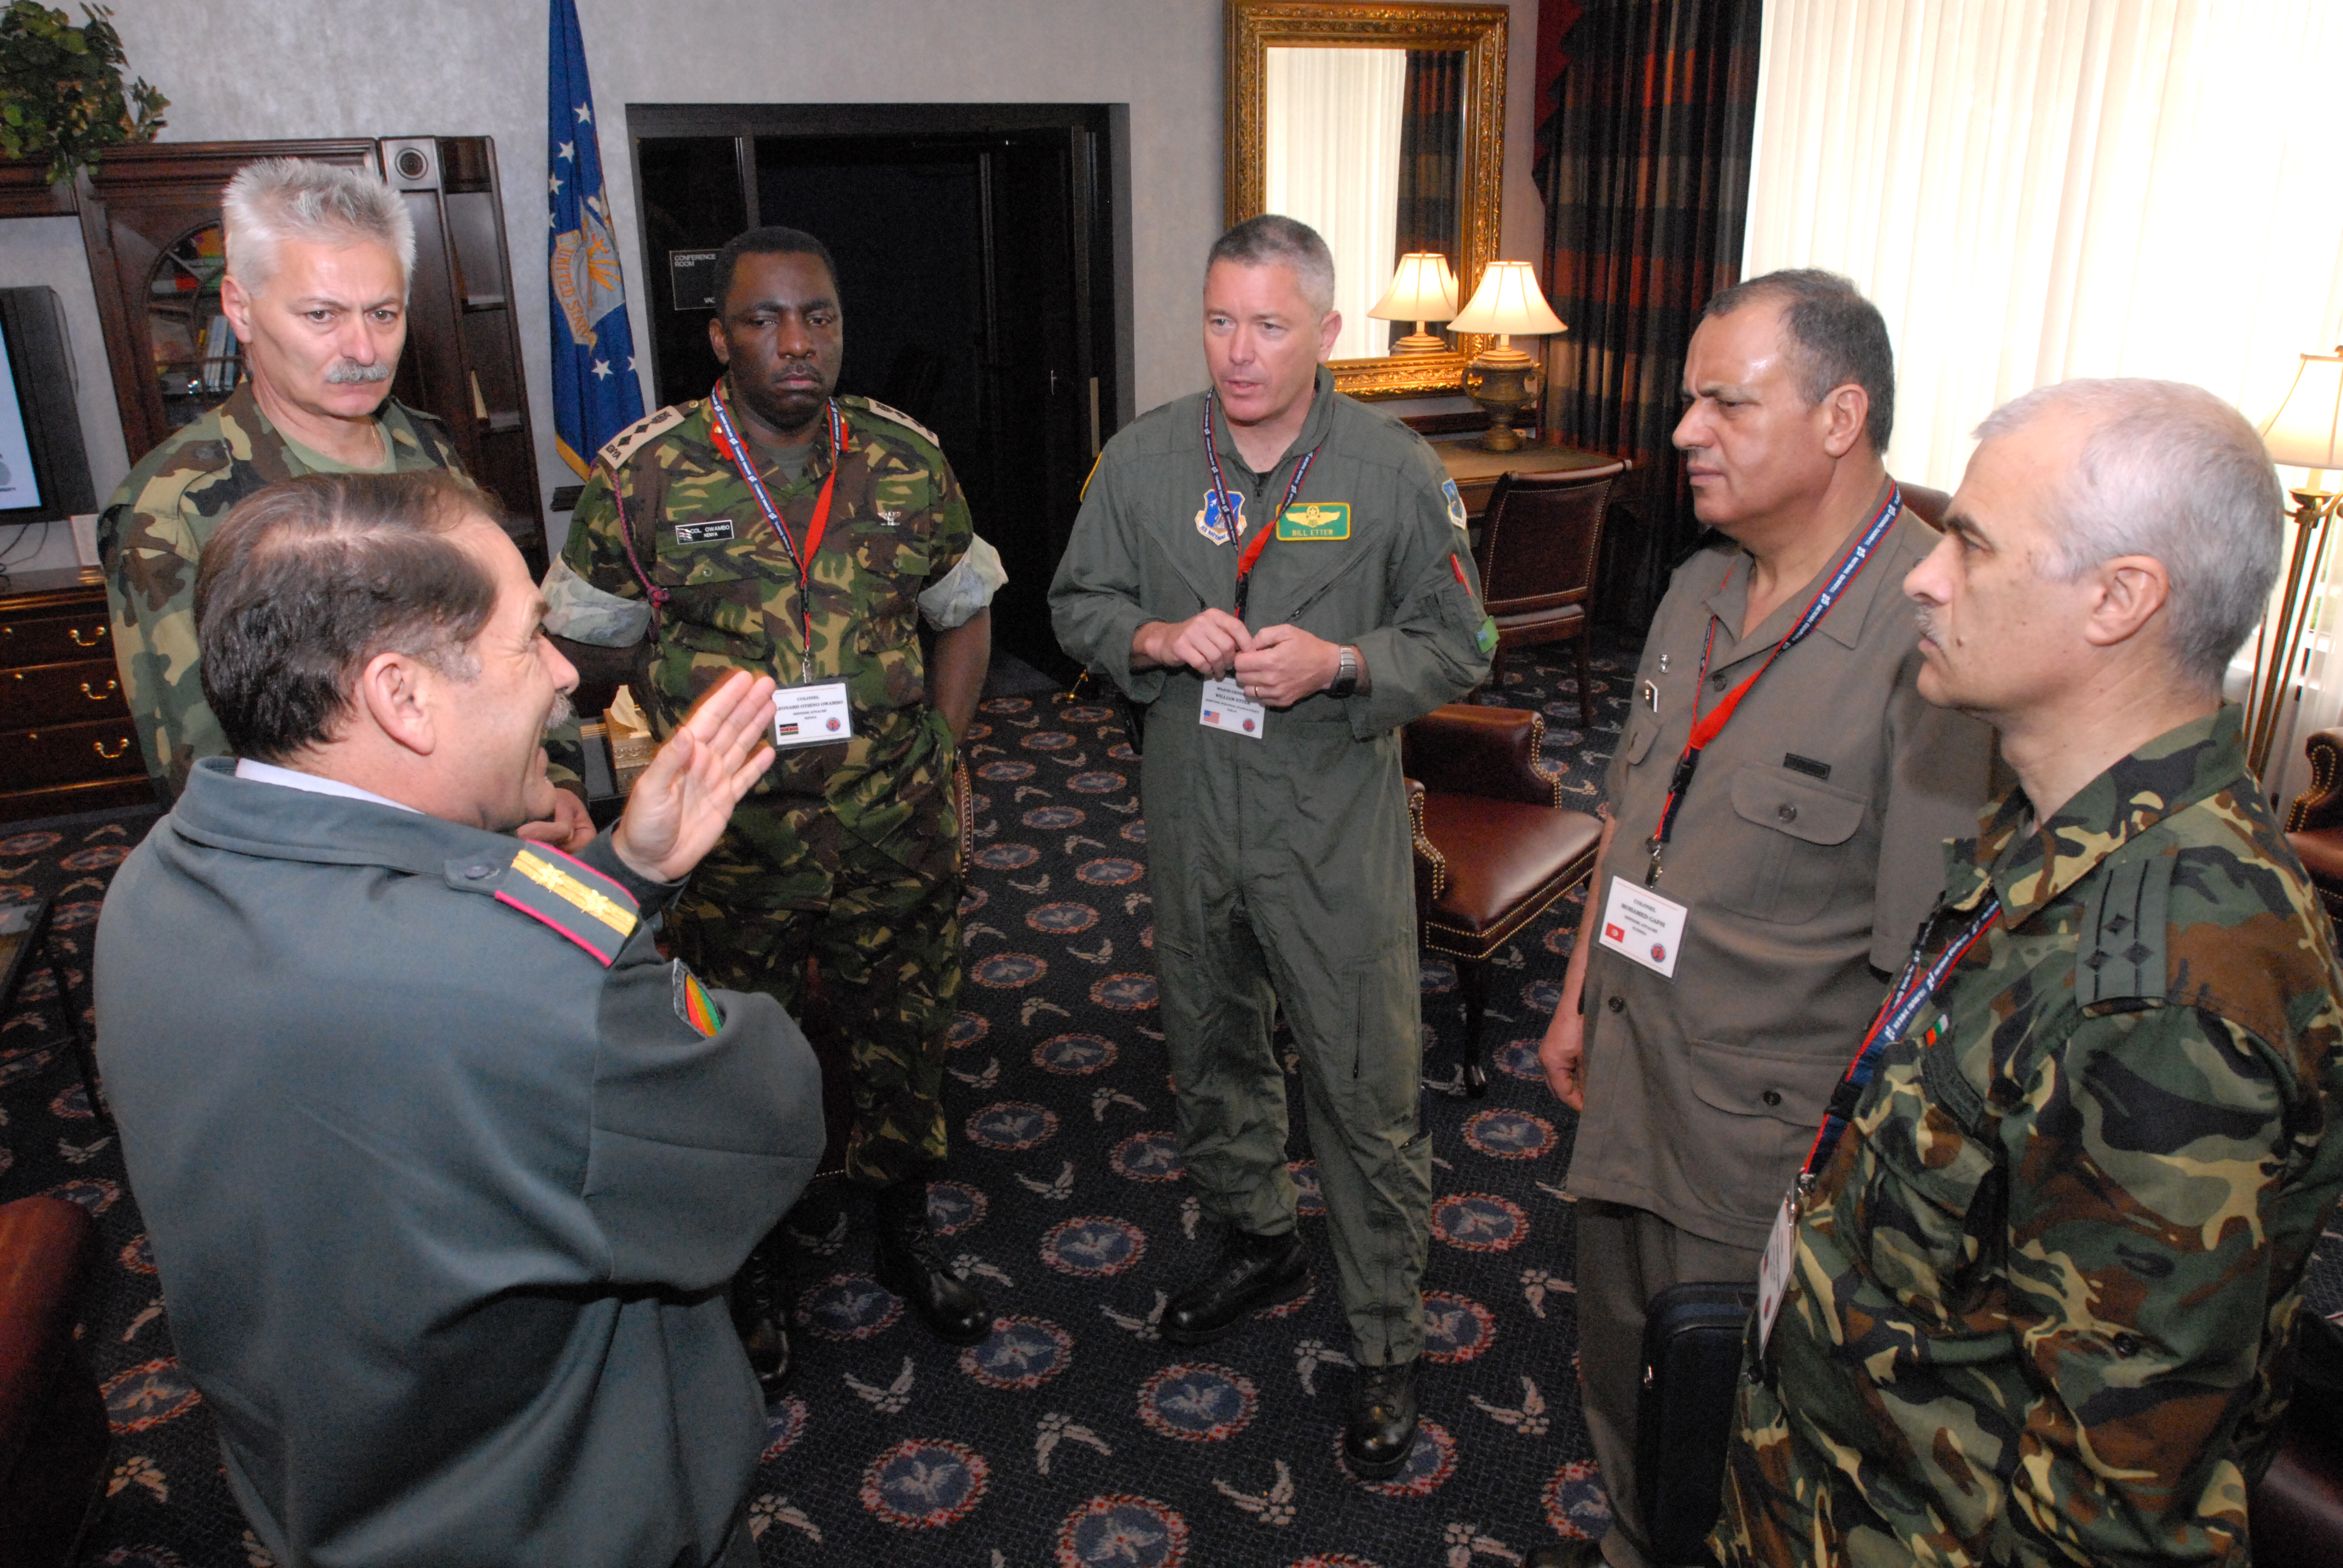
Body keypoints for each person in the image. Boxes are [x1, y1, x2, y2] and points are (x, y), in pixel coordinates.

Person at [95, 469, 822, 1567]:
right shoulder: (526, 986)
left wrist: (625, 872)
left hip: (327, 1489)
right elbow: (768, 1119)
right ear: (404, 696)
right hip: (565, 1518)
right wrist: (598, 935)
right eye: (529, 638)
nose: (566, 672)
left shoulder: (156, 882)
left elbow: (428, 1055)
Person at [1712, 377, 2343, 1565]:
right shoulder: (2053, 827)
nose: (1924, 575)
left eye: (1972, 543)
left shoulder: (2170, 984)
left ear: (2119, 598)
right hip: (1831, 1488)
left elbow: (2115, 1517)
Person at [1528, 271, 1996, 1568]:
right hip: (1631, 1064)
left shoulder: (1930, 638)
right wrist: (1574, 998)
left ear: (1840, 417)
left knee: (1736, 1431)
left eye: (1726, 404)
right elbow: (1634, 820)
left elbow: (1930, 974)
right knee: (1623, 1371)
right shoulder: (1697, 588)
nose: (1685, 431)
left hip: (1761, 1145)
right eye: (1690, 401)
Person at [1049, 214, 1493, 1478]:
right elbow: (1076, 604)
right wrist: (1151, 639)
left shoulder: (1394, 471)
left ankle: (1386, 1334)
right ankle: (1257, 1234)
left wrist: (1342, 661)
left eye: (1269, 325)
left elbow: (1465, 642)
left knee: (1361, 1086)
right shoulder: (1141, 460)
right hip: (1192, 813)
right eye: (1218, 321)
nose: (1238, 353)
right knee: (1211, 1046)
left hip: (1328, 827)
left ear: (1326, 332)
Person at [544, 224, 1006, 1377]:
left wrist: (942, 748)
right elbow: (578, 650)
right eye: (764, 319)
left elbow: (964, 610)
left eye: (819, 318)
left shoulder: (905, 458)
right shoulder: (644, 476)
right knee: (731, 1052)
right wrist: (639, 734)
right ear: (720, 337)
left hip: (892, 828)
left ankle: (904, 1217)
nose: (796, 343)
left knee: (905, 1032)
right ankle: (752, 1261)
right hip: (729, 841)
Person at [93, 160, 537, 814]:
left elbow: (505, 642)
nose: (364, 349)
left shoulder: (425, 445)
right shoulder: (172, 508)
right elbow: (206, 771)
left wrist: (545, 786)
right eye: (322, 315)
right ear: (240, 309)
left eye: (383, 314)